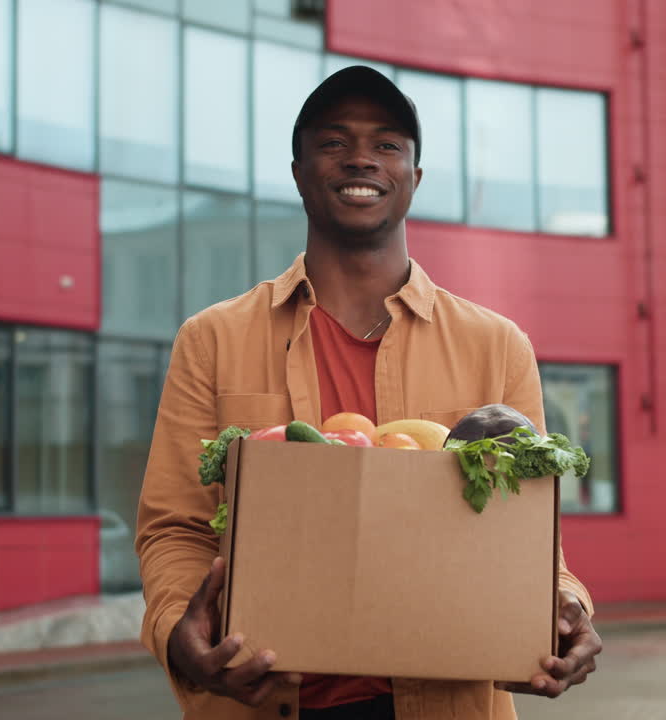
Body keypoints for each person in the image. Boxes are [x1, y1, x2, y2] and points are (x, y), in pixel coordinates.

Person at [134, 66, 601, 720]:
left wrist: (565, 605)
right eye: (334, 142)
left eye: (386, 144)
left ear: (415, 176)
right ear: (298, 172)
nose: (361, 158)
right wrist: (177, 632)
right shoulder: (212, 340)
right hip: (263, 700)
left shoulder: (496, 346)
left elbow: (527, 538)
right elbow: (176, 528)